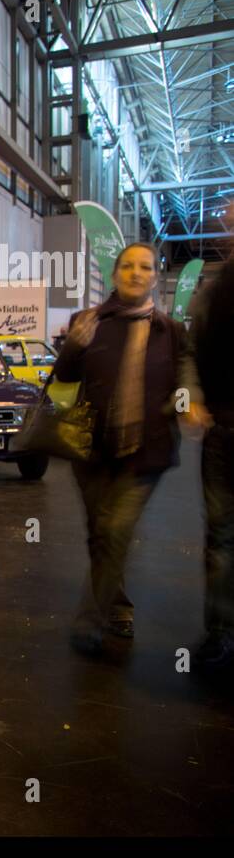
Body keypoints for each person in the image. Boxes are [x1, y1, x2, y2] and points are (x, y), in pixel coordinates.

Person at [53, 242, 208, 653]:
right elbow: (62, 380)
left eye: (144, 267)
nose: (136, 273)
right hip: (90, 451)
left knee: (115, 530)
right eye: (127, 266)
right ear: (115, 274)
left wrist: (187, 404)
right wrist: (73, 346)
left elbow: (184, 378)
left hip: (145, 454)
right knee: (98, 534)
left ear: (155, 277)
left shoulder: (170, 331)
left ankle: (91, 619)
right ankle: (118, 603)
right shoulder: (87, 320)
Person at [189, 256, 234, 669]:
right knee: (220, 540)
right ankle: (221, 631)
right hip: (223, 432)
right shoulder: (214, 292)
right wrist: (194, 397)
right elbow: (191, 351)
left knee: (221, 540)